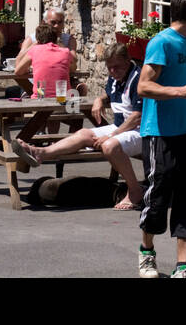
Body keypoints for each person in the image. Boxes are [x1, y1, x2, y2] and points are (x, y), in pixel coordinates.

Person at [15, 43, 145, 209]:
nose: (113, 71)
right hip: (122, 127)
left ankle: (134, 191)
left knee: (110, 146)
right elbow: (109, 93)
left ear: (128, 60)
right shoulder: (116, 75)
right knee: (83, 133)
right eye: (109, 68)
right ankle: (40, 153)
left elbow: (137, 116)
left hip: (141, 131)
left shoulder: (138, 78)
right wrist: (100, 99)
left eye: (117, 67)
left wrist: (113, 135)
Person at [136, 0, 186, 279]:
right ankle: (146, 253)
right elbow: (144, 86)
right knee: (158, 198)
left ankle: (182, 266)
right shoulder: (161, 43)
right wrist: (180, 91)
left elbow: (185, 86)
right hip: (160, 133)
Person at [13, 21, 79, 98]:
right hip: (63, 98)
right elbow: (73, 69)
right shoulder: (65, 51)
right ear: (56, 38)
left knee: (38, 93)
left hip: (41, 97)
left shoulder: (34, 50)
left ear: (38, 40)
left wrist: (28, 69)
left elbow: (18, 71)